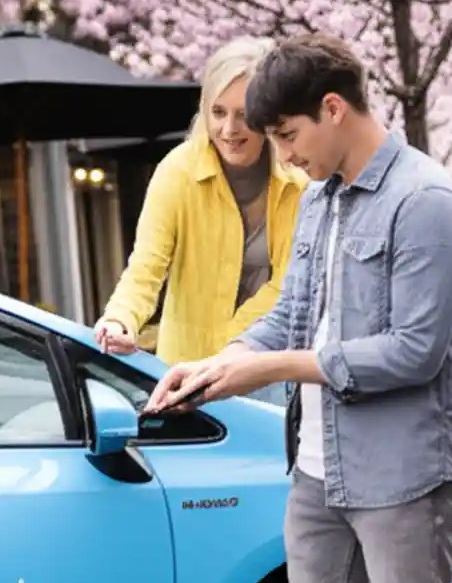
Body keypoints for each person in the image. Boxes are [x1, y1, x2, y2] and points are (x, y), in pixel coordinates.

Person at [144, 34, 452, 583]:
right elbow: (294, 314)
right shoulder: (321, 200)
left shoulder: (427, 201)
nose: (285, 156)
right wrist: (221, 363)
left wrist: (272, 368)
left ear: (333, 109)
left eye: (288, 135)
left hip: (404, 475)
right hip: (318, 468)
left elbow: (415, 352)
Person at [92, 37, 308, 404]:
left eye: (243, 115)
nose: (228, 129)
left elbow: (288, 286)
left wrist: (232, 350)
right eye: (218, 112)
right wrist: (120, 320)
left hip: (264, 368)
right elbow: (146, 267)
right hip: (185, 372)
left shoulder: (297, 182)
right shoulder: (176, 172)